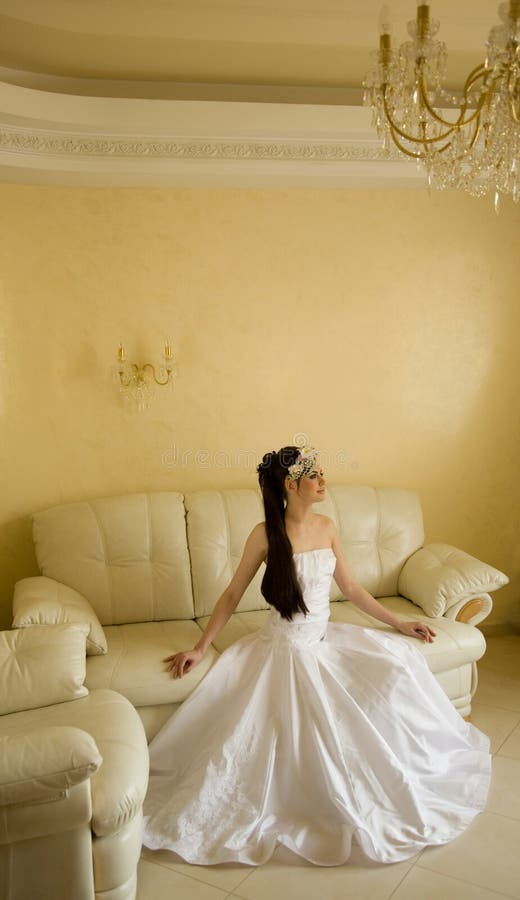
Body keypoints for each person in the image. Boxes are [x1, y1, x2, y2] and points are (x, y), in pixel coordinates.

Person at [142, 445, 491, 866]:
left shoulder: (327, 526)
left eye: (322, 473)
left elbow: (354, 588)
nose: (324, 480)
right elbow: (233, 593)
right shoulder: (264, 534)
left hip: (325, 639)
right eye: (314, 476)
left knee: (398, 664)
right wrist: (201, 647)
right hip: (283, 646)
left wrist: (399, 623)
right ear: (291, 485)